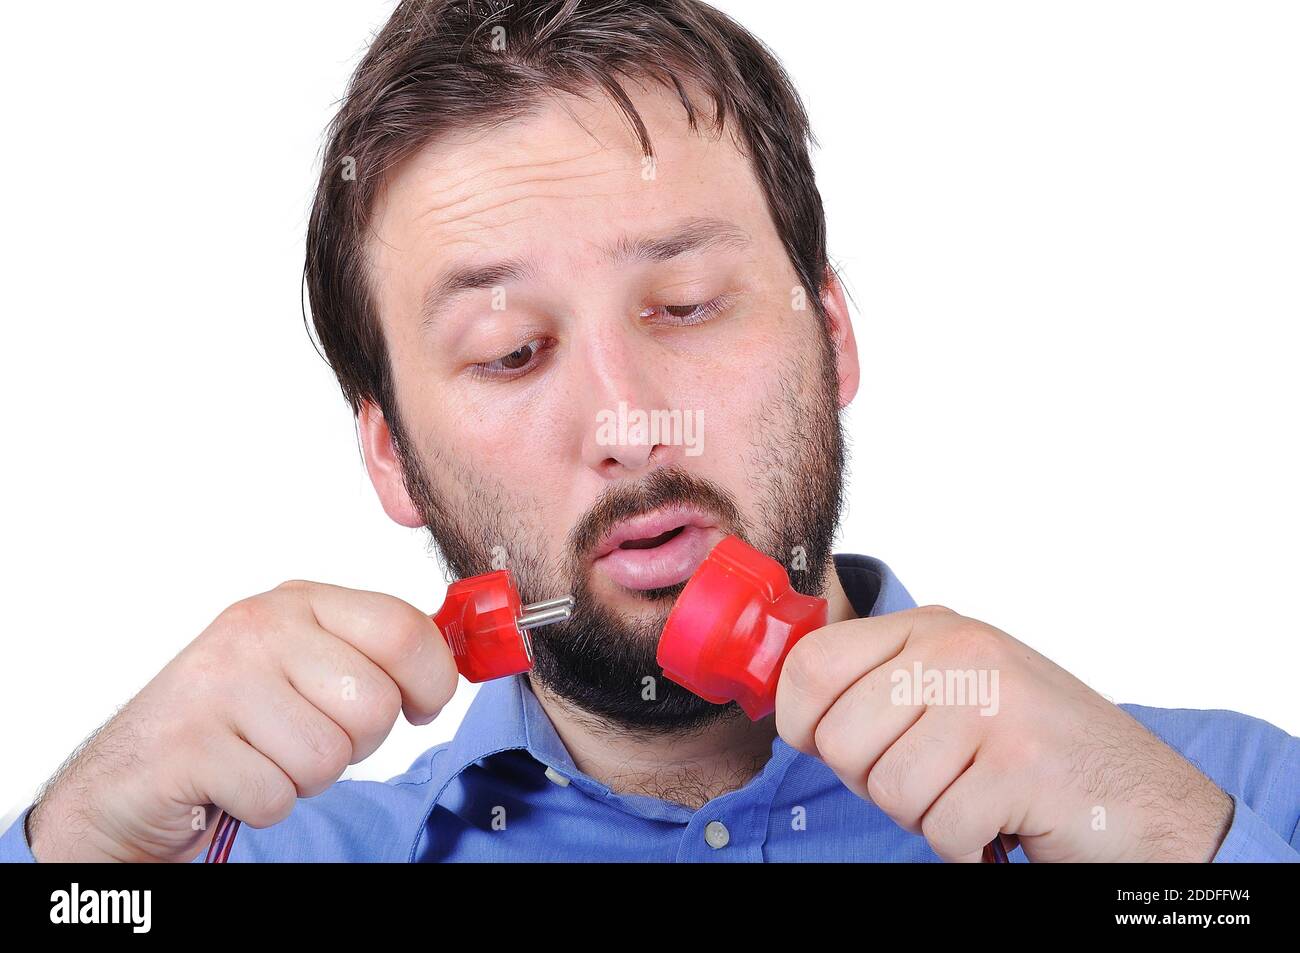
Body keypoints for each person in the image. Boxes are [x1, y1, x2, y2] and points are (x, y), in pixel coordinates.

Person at [3, 0, 1295, 863]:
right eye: (511, 351)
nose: (626, 419)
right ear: (391, 453)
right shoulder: (219, 854)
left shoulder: (1218, 800)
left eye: (684, 304)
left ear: (832, 337)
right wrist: (75, 861)